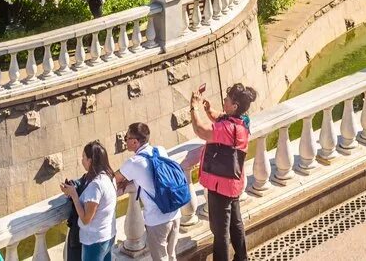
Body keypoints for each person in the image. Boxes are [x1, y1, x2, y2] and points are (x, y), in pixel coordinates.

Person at [189, 83, 255, 261]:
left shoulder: (228, 129)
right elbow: (221, 117)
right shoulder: (242, 122)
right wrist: (209, 110)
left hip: (221, 186)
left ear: (234, 106)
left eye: (227, 99)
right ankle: (241, 258)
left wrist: (194, 107)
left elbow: (201, 130)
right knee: (235, 223)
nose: (224, 101)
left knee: (220, 232)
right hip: (233, 183)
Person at [117, 124, 182, 261]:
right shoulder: (160, 150)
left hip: (158, 220)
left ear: (135, 142)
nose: (125, 140)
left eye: (126, 137)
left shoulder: (133, 163)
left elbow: (113, 179)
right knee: (171, 257)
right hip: (176, 213)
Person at [60, 142, 116, 261]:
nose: (82, 160)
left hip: (95, 240)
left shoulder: (95, 185)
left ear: (90, 161)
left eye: (83, 157)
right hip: (108, 235)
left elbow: (86, 219)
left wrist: (74, 195)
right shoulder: (110, 176)